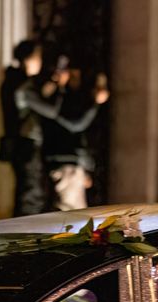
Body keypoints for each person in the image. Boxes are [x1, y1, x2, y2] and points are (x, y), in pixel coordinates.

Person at [41, 68, 109, 211]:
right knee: (70, 214)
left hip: (73, 164)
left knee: (75, 214)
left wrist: (87, 169)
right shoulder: (61, 97)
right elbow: (75, 125)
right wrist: (95, 104)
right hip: (65, 163)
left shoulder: (78, 98)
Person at [1, 40, 46, 215]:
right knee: (30, 192)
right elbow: (50, 111)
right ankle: (26, 235)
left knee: (28, 189)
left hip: (20, 141)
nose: (40, 62)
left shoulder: (13, 81)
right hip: (26, 142)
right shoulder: (22, 84)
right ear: (29, 59)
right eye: (38, 57)